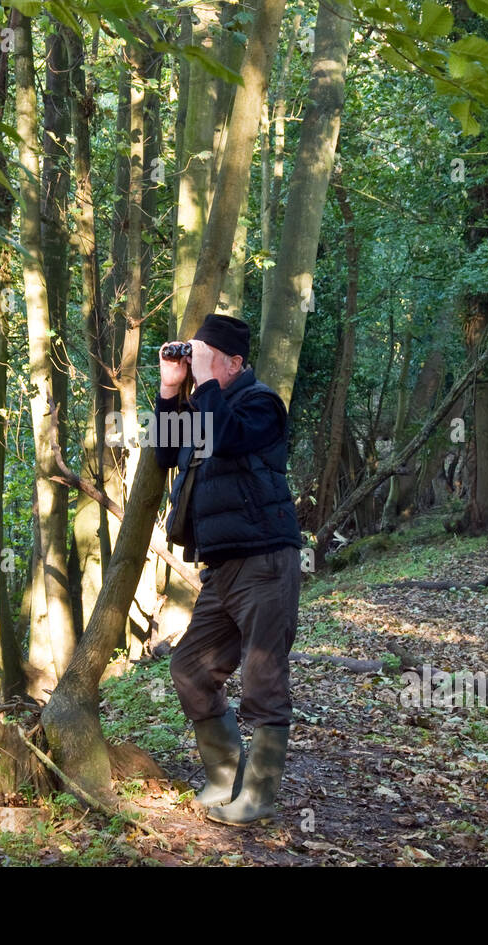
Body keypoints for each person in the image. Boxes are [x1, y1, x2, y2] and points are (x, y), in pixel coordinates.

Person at [154, 313, 303, 826]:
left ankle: (259, 795)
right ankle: (225, 774)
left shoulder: (261, 404)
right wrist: (171, 391)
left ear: (234, 363)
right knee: (190, 667)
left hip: (265, 558)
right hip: (222, 568)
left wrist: (205, 387)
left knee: (263, 679)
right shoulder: (204, 403)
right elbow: (164, 454)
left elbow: (228, 437)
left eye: (201, 356)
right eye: (189, 356)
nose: (193, 365)